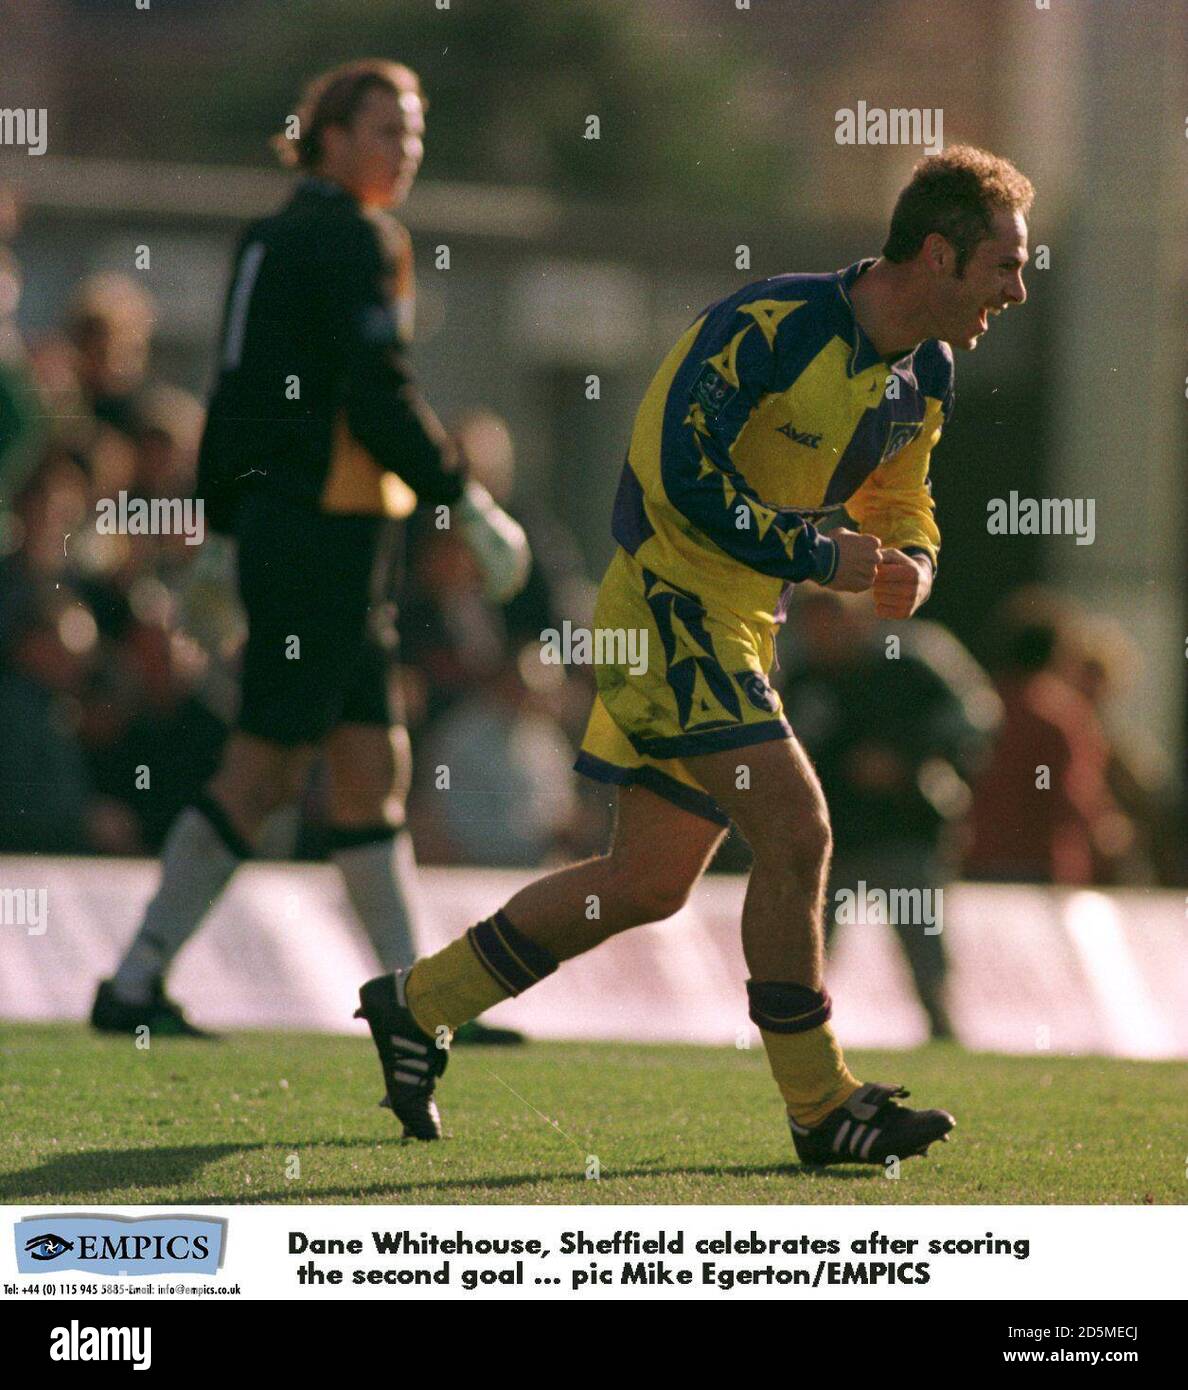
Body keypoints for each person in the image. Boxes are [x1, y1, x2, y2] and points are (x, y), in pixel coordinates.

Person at [355, 145, 1033, 1164]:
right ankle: (821, 1106)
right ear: (937, 255)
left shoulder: (925, 369)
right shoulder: (775, 325)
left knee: (643, 883)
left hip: (736, 625)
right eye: (1004, 266)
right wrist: (814, 551)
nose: (1018, 291)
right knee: (798, 828)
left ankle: (418, 1004)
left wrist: (916, 561)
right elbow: (676, 468)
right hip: (662, 609)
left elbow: (902, 497)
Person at [92, 59, 530, 1037]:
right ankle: (131, 980)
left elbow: (236, 390)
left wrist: (223, 529)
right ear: (329, 135)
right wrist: (464, 491)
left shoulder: (270, 233)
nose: (403, 150)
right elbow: (377, 390)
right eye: (384, 130)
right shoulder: (358, 235)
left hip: (304, 534)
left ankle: (420, 1002)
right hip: (327, 539)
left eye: (412, 133)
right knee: (266, 772)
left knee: (373, 766)